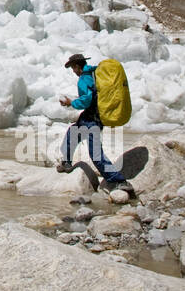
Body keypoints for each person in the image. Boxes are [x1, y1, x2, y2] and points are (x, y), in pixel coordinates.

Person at [56, 53, 132, 192]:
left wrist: (71, 102)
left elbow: (87, 100)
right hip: (96, 117)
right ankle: (66, 162)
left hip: (92, 119)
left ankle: (119, 181)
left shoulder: (84, 79)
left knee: (96, 154)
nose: (73, 71)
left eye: (73, 68)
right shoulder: (95, 74)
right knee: (73, 132)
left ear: (78, 66)